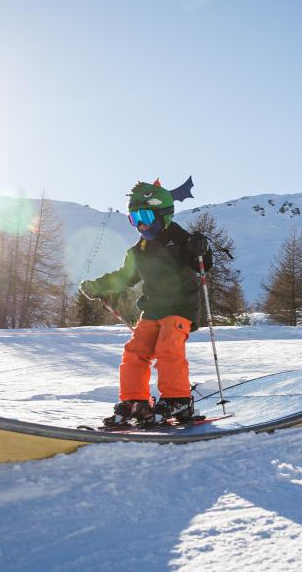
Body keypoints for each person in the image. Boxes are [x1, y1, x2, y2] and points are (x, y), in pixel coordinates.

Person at [81, 179, 213, 427]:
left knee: (167, 347)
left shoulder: (181, 239)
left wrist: (202, 249)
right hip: (152, 309)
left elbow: (201, 263)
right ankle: (136, 401)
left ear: (163, 214)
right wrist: (98, 286)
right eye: (134, 218)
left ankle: (178, 398)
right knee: (135, 351)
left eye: (144, 216)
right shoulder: (138, 250)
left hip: (180, 308)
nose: (140, 224)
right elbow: (124, 276)